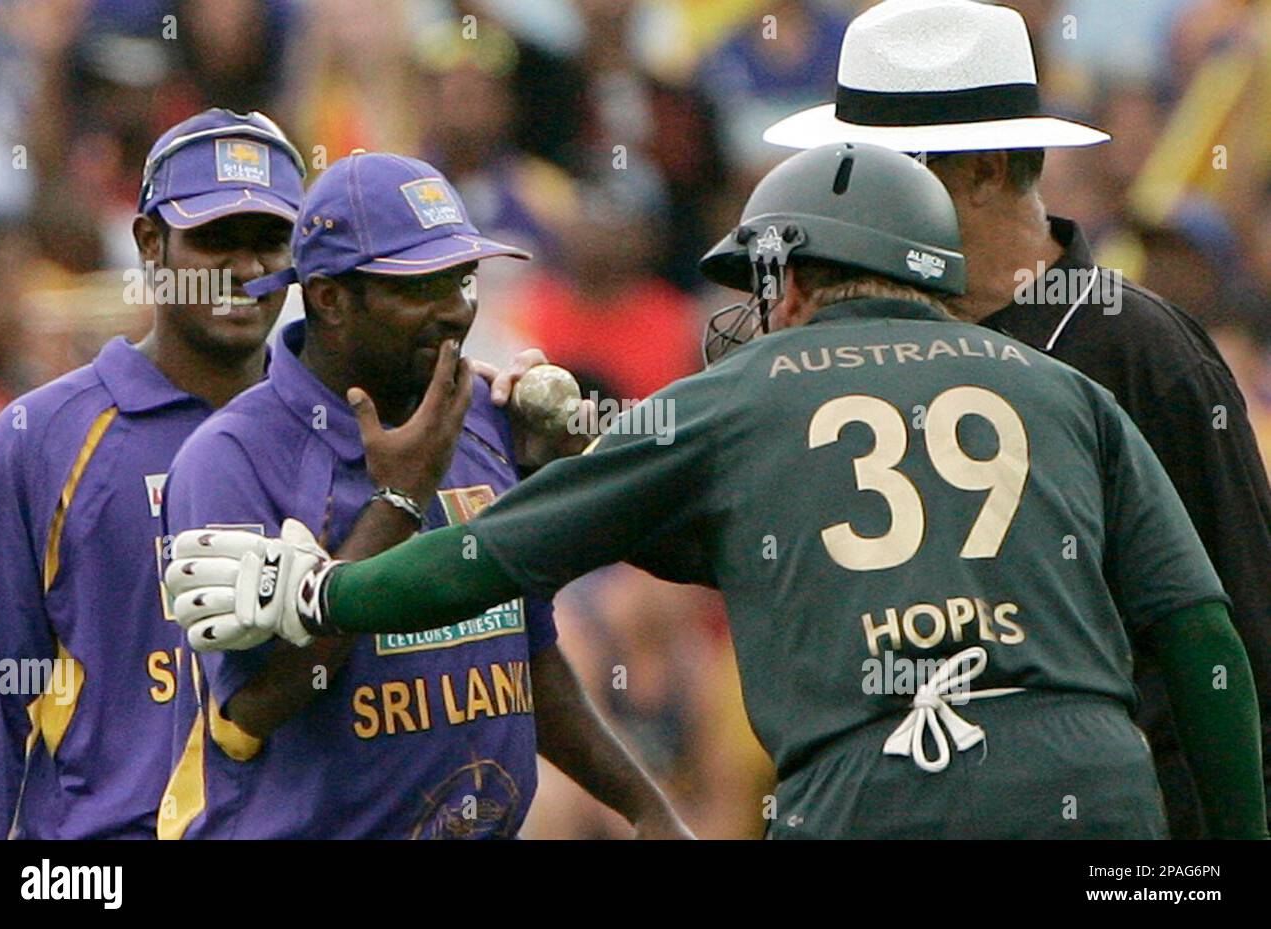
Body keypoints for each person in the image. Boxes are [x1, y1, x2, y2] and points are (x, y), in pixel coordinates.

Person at [164, 142, 1266, 839]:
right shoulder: (1065, 388)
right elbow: (1204, 637)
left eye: (761, 277)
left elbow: (491, 557)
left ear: (794, 273)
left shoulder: (740, 394)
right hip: (1100, 799)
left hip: (878, 794)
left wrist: (322, 596)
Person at [762, 0, 1271, 838]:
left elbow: (1242, 631)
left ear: (987, 169)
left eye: (894, 169)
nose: (854, 201)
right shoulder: (839, 338)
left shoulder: (1137, 349)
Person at [155, 151, 688, 840]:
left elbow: (526, 653)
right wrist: (398, 504)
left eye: (462, 280)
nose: (453, 312)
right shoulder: (231, 457)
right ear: (329, 297)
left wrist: (648, 809)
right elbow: (251, 711)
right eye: (418, 287)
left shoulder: (486, 420)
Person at [0, 108, 303, 838]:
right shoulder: (39, 440)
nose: (245, 271)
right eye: (214, 239)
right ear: (150, 245)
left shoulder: (337, 427)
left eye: (269, 242)